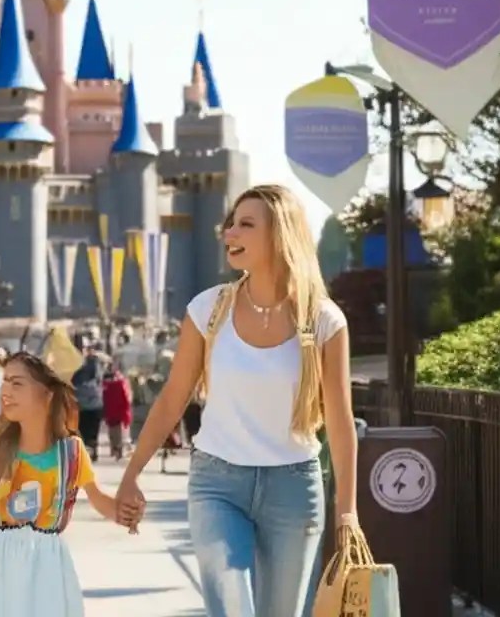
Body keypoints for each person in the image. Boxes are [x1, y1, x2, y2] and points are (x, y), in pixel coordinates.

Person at [114, 184, 357, 617]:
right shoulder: (207, 310)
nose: (230, 232)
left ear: (280, 235)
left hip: (294, 487)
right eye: (230, 222)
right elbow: (172, 399)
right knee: (231, 606)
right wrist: (133, 472)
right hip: (217, 484)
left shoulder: (324, 320)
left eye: (246, 224)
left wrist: (348, 513)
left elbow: (339, 420)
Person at [0, 351, 129, 617]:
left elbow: (99, 499)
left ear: (47, 395)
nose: (6, 391)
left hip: (47, 573)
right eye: (5, 382)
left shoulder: (71, 452)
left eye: (17, 383)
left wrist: (124, 512)